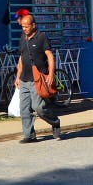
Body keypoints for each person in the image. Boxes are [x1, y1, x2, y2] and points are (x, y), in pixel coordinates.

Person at [14, 14, 61, 142]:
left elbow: (50, 56)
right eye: (22, 26)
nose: (24, 29)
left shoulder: (42, 37)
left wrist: (50, 74)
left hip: (38, 79)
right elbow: (21, 58)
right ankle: (29, 135)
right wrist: (18, 76)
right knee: (24, 109)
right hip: (24, 79)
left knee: (39, 107)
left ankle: (55, 122)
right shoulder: (23, 37)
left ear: (33, 25)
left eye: (26, 26)